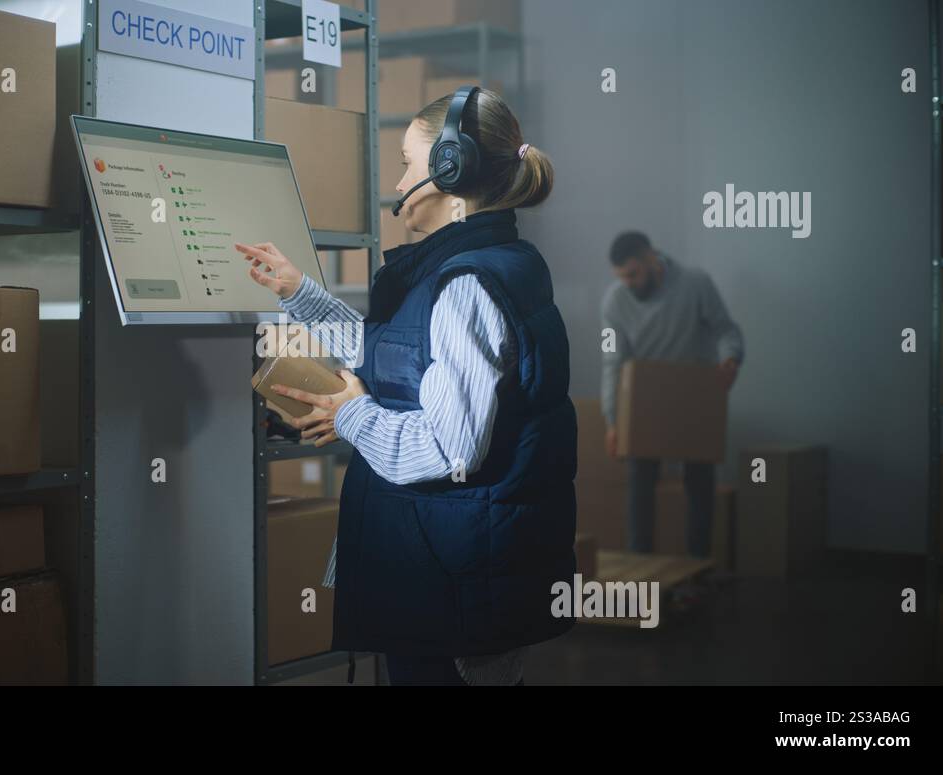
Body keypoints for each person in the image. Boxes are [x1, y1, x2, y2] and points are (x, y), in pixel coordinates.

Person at [235, 87, 576, 686]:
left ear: (451, 170)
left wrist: (353, 416)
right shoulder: (489, 263)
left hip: (452, 580)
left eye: (406, 165)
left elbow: (450, 450)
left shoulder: (465, 287)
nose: (397, 184)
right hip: (455, 566)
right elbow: (393, 354)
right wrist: (300, 293)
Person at [600, 231, 745, 558]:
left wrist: (730, 358)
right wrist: (612, 420)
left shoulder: (695, 283)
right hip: (643, 404)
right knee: (640, 481)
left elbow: (725, 329)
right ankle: (641, 566)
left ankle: (699, 568)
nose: (629, 283)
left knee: (699, 480)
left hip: (692, 399)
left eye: (633, 274)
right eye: (622, 277)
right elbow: (612, 360)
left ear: (652, 258)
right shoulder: (614, 301)